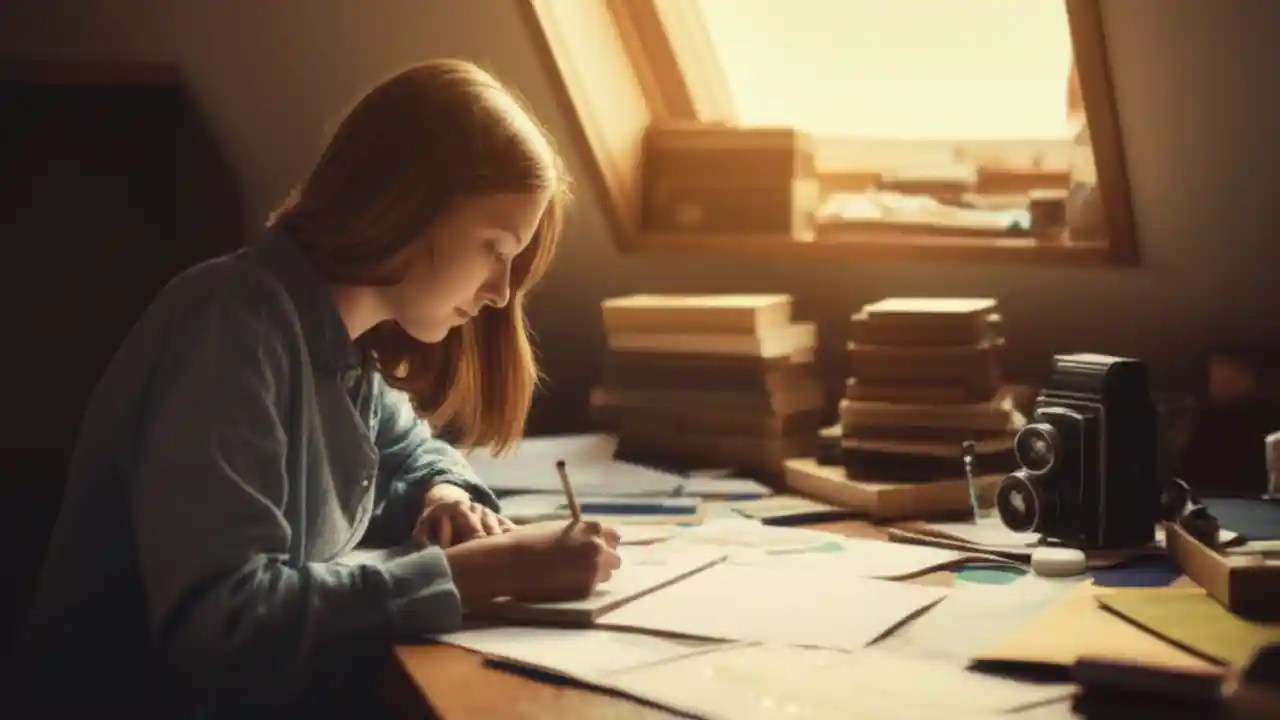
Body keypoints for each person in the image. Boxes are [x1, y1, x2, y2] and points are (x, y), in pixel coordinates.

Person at [17, 58, 621, 717]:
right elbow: (223, 624)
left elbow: (415, 453)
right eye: (495, 247)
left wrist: (443, 493)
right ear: (406, 202)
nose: (503, 292)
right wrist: (487, 572)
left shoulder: (343, 349)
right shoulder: (230, 328)